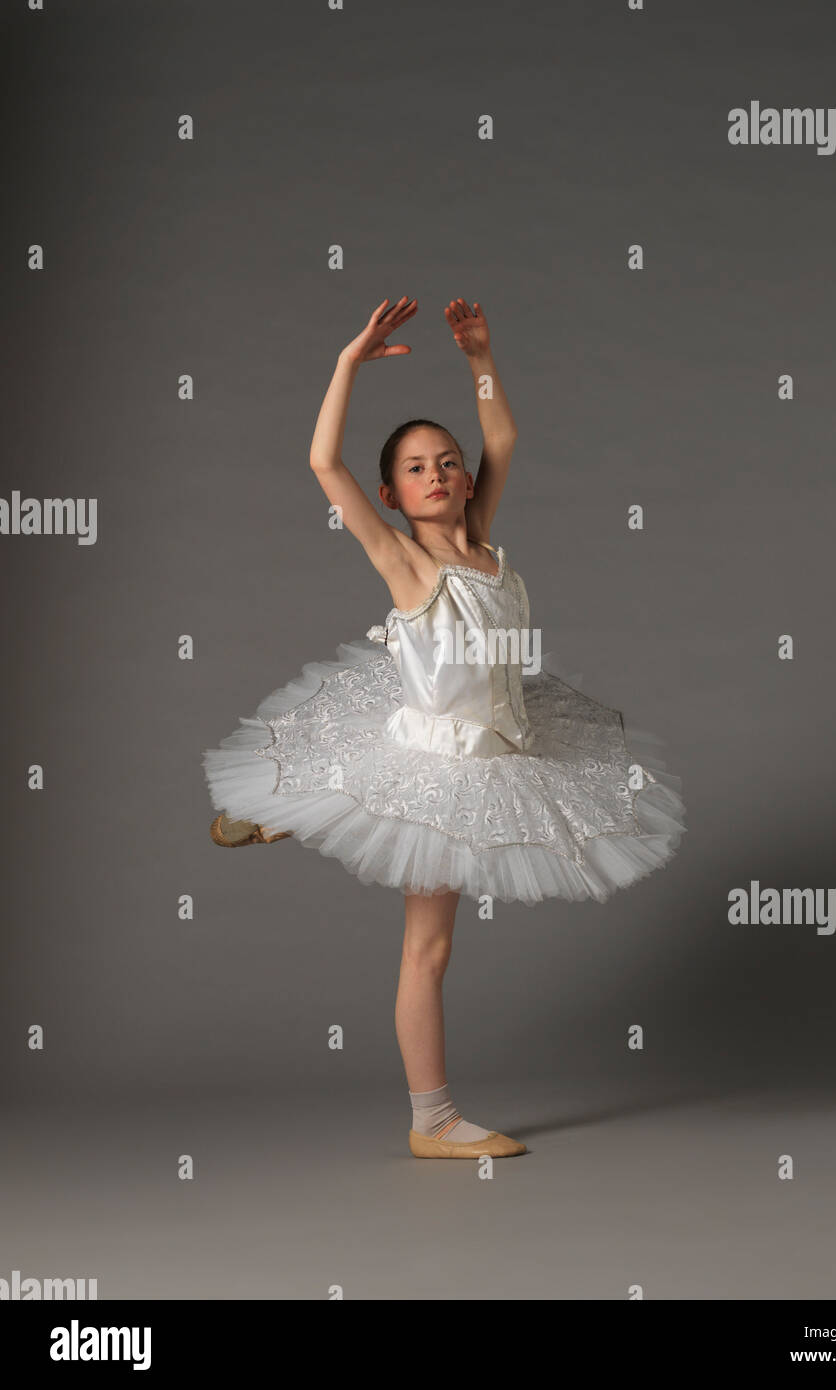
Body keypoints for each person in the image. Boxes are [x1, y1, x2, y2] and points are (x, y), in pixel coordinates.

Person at [202, 295, 687, 1158]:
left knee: (430, 932)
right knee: (427, 950)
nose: (438, 473)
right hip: (438, 757)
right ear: (392, 494)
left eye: (447, 462)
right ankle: (432, 1122)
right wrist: (348, 363)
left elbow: (500, 439)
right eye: (416, 468)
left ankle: (297, 805)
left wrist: (480, 358)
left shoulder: (484, 544)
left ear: (463, 482)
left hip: (510, 738)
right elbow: (323, 464)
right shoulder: (406, 559)